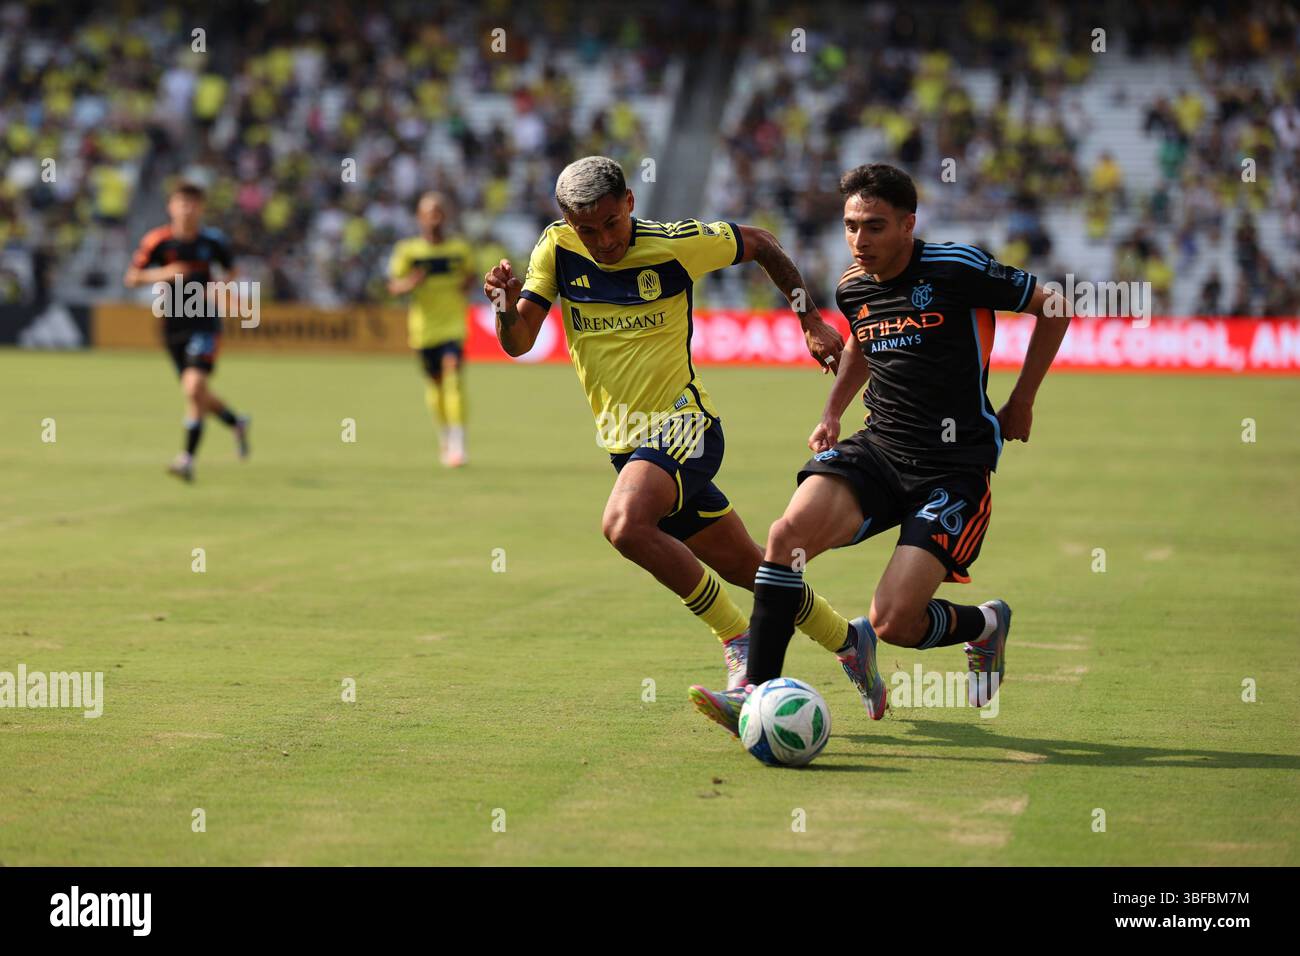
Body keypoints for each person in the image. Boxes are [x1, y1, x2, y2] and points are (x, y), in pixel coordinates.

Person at [689, 163, 1071, 736]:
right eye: (850, 227)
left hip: (953, 468)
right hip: (878, 449)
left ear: (908, 224)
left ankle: (985, 625)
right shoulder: (852, 287)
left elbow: (1056, 305)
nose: (859, 241)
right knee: (785, 537)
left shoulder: (955, 267)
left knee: (893, 621)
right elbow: (862, 347)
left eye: (873, 226)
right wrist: (832, 413)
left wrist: (1023, 400)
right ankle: (753, 691)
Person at [483, 155, 851, 689]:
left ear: (629, 203)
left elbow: (764, 243)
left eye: (611, 223)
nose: (603, 240)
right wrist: (502, 305)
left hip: (685, 425)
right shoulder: (557, 249)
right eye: (587, 230)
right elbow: (518, 342)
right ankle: (847, 638)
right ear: (567, 223)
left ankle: (736, 639)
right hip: (626, 445)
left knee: (624, 525)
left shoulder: (676, 242)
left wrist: (810, 320)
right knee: (750, 568)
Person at [124, 181, 248, 482]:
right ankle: (236, 421)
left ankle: (186, 460)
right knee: (199, 393)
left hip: (204, 321)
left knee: (193, 389)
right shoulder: (158, 241)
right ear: (171, 207)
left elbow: (231, 270)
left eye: (193, 204)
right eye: (182, 203)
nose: (187, 209)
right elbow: (132, 277)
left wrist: (220, 287)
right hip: (172, 324)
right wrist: (163, 273)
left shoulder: (213, 241)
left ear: (201, 208)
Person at [388, 192, 477, 467]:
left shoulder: (459, 249)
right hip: (424, 330)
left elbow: (471, 275)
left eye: (439, 211)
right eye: (429, 212)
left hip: (453, 326)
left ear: (446, 216)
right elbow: (393, 286)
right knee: (435, 385)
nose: (434, 217)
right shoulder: (409, 251)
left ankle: (458, 442)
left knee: (454, 376)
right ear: (419, 217)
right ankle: (444, 434)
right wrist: (410, 284)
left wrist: (467, 285)